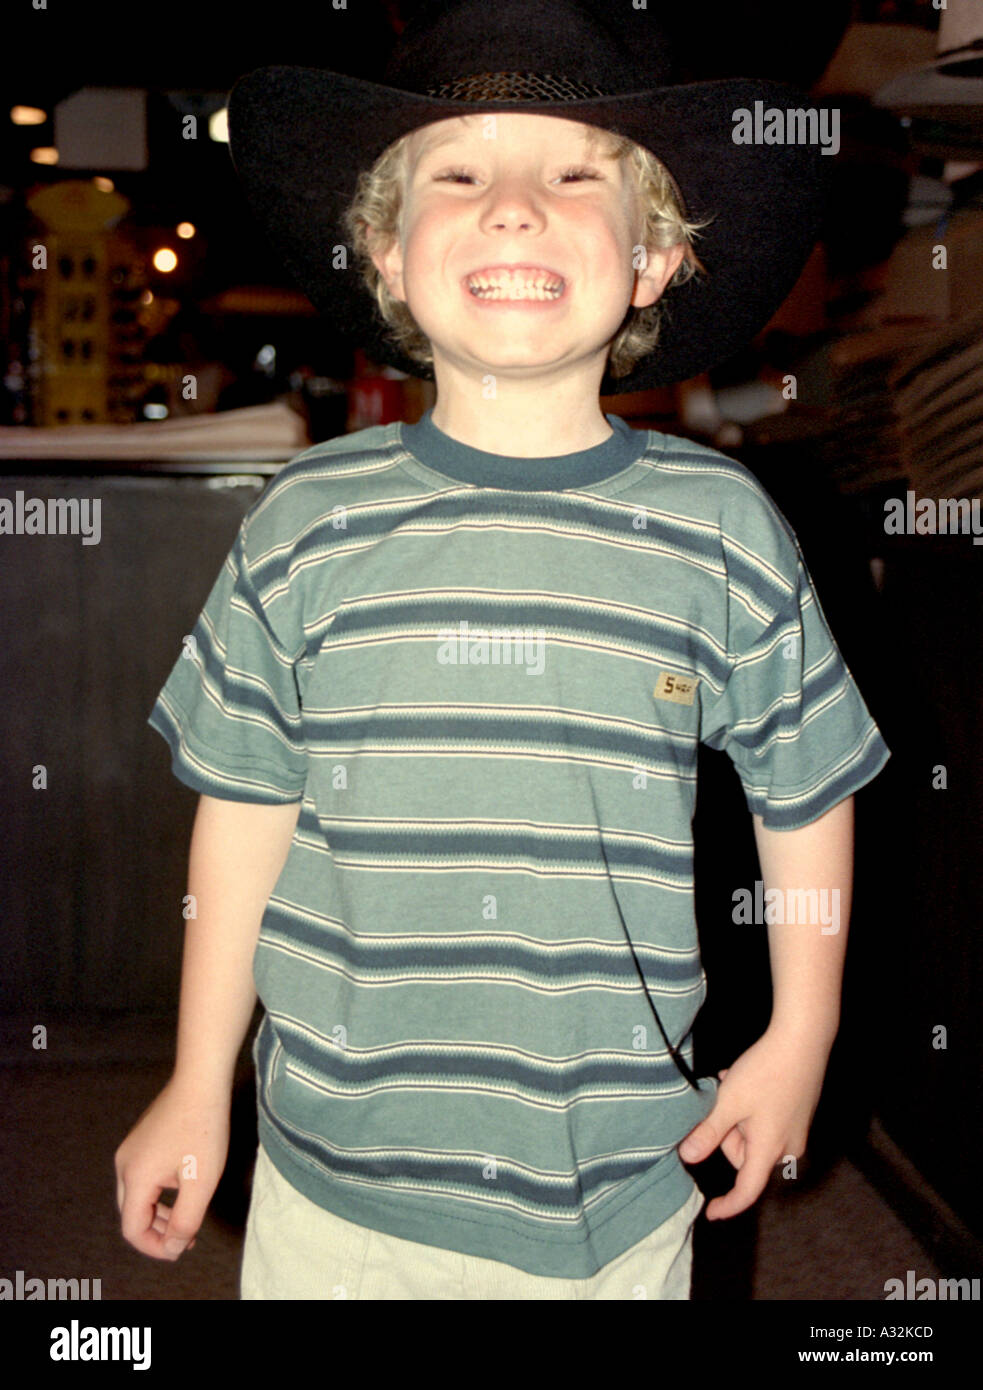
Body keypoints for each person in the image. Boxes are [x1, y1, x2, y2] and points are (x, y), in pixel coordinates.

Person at [115, 0, 891, 1299]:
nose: (516, 206)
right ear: (385, 249)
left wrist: (802, 1028)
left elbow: (805, 790)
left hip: (614, 1178)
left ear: (654, 258)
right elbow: (243, 815)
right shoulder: (305, 525)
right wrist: (198, 1081)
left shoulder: (722, 531)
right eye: (460, 172)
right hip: (333, 1176)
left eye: (575, 172)